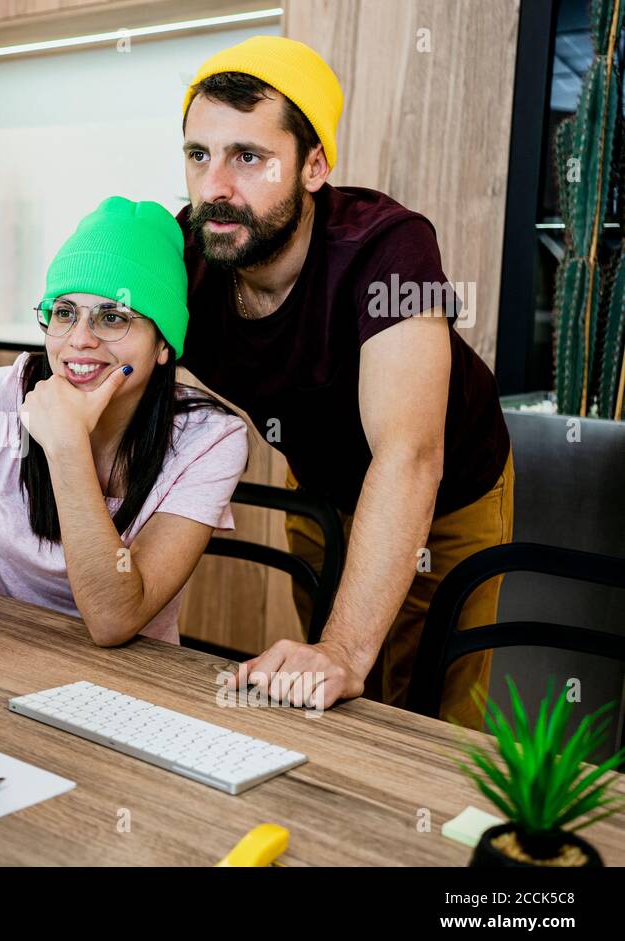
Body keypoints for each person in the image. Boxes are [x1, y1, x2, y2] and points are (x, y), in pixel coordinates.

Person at [176, 35, 513, 728]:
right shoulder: (190, 252)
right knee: (336, 704)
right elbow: (95, 352)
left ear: (314, 167)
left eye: (250, 157)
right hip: (323, 480)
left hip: (446, 486)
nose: (216, 187)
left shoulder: (387, 246)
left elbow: (410, 455)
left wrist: (342, 648)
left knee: (431, 709)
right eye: (199, 155)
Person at [0, 197, 248, 646]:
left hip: (130, 684)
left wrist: (66, 444)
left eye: (112, 317)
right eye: (64, 312)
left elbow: (114, 620)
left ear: (164, 344)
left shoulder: (210, 440)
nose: (79, 341)